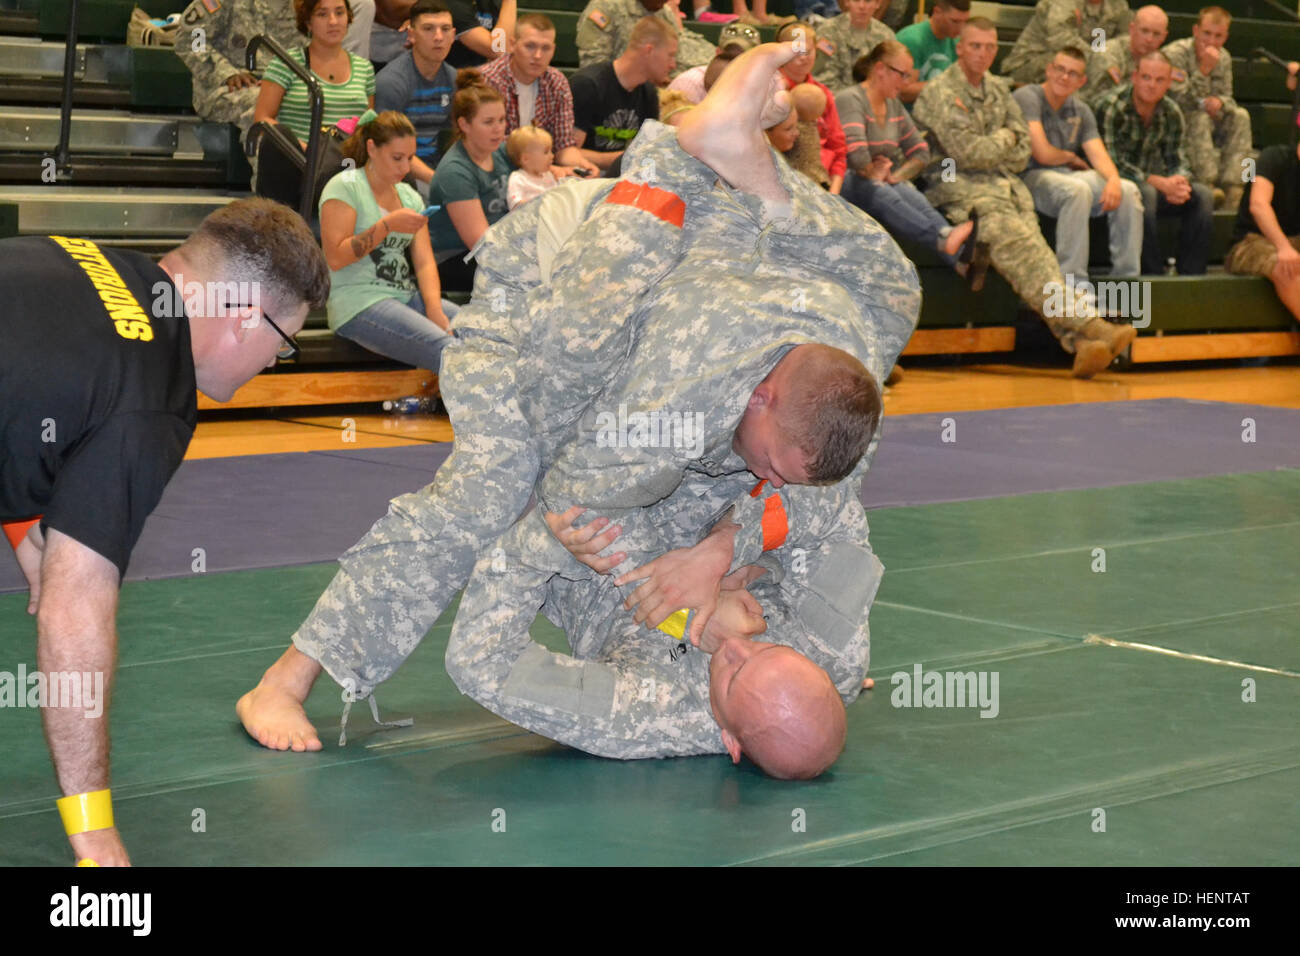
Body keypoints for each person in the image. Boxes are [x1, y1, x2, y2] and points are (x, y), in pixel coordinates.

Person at [235, 41, 920, 755]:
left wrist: (691, 597)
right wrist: (720, 555)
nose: (742, 656)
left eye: (736, 678)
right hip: (604, 280)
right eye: (771, 660)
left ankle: (727, 160)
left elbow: (571, 503)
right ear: (765, 399)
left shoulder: (673, 705)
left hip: (638, 283)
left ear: (731, 736)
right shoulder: (826, 644)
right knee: (500, 482)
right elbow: (825, 509)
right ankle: (729, 159)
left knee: (521, 482)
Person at [0, 199, 329, 867]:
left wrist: (24, 525)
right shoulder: (152, 392)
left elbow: (27, 389)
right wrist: (92, 828)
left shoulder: (88, 259)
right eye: (283, 343)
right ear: (244, 317)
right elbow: (74, 610)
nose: (274, 364)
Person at [914, 18, 1137, 376]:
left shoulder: (1000, 90)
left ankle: (1081, 346)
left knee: (1039, 264)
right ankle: (1094, 327)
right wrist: (1005, 139)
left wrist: (1002, 143)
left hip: (1008, 191)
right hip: (964, 196)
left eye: (989, 47)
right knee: (1029, 259)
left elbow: (1023, 152)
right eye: (975, 46)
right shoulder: (940, 92)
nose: (983, 54)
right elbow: (969, 152)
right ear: (959, 47)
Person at [319, 111, 457, 371]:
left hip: (404, 296)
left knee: (484, 333)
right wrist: (387, 225)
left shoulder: (408, 195)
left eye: (410, 158)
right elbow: (336, 258)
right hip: (358, 303)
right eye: (397, 158)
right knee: (447, 349)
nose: (405, 168)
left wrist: (434, 308)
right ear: (371, 148)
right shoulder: (345, 186)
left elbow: (425, 262)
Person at [838, 41, 986, 282]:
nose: (906, 82)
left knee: (908, 191)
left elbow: (920, 151)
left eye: (909, 75)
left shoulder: (893, 104)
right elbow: (855, 154)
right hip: (842, 180)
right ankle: (944, 239)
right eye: (902, 74)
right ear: (880, 69)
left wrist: (897, 175)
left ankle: (959, 259)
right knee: (881, 190)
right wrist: (873, 173)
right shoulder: (850, 98)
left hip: (878, 177)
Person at [1014, 45, 1142, 282]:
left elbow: (1098, 154)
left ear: (1081, 81)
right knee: (1077, 190)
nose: (1064, 76)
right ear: (1048, 70)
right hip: (1029, 175)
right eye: (1060, 69)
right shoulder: (1028, 97)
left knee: (1128, 190)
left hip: (1064, 175)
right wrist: (1071, 157)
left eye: (1072, 73)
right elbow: (1041, 153)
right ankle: (1073, 284)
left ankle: (1126, 280)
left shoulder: (1081, 109)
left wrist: (1113, 180)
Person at [1094, 51, 1213, 275]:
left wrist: (1180, 180)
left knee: (1203, 195)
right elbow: (1111, 162)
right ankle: (1152, 273)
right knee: (1145, 193)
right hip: (1110, 186)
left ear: (1169, 83)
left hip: (1153, 185)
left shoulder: (1171, 111)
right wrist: (1156, 181)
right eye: (1146, 77)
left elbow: (1178, 158)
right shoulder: (1110, 106)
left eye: (1160, 80)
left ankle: (1192, 275)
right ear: (1135, 77)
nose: (1152, 85)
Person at [480, 13, 599, 174]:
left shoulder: (557, 82)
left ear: (554, 49)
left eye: (545, 48)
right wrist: (550, 170)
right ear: (513, 44)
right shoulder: (489, 80)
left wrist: (581, 166)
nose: (537, 56)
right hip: (494, 171)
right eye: (530, 46)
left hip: (540, 173)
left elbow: (564, 147)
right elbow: (488, 148)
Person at [426, 70, 511, 290]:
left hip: (497, 247)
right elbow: (482, 246)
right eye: (488, 122)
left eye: (502, 120)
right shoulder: (455, 172)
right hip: (455, 259)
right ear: (464, 124)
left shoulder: (501, 152)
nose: (498, 129)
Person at [1162, 5, 1252, 209]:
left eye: (1218, 36)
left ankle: (1234, 188)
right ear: (1195, 30)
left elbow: (1229, 97)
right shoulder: (1176, 53)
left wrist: (1220, 103)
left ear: (1226, 37)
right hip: (1181, 121)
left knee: (1241, 116)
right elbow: (1177, 99)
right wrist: (1204, 70)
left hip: (1213, 120)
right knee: (1199, 115)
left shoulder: (1225, 57)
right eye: (1207, 34)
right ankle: (1208, 183)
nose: (1212, 41)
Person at [253, 0, 376, 148]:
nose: (333, 21)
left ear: (349, 18)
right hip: (298, 163)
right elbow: (262, 119)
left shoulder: (365, 68)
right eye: (322, 14)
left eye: (339, 13)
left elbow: (368, 127)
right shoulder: (285, 63)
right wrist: (307, 154)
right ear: (308, 22)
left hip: (348, 165)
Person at [174, 0, 302, 134]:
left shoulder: (304, 5)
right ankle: (264, 153)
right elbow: (190, 38)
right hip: (227, 88)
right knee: (265, 106)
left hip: (285, 84)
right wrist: (226, 73)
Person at [569, 17, 674, 174]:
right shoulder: (587, 85)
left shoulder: (648, 93)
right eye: (670, 55)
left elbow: (647, 151)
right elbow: (567, 153)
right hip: (581, 179)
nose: (673, 64)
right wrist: (624, 158)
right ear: (649, 50)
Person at [374, 0, 459, 188]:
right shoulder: (391, 82)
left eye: (445, 29)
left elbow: (453, 140)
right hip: (398, 174)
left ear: (453, 35)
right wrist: (436, 180)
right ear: (411, 34)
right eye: (428, 29)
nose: (438, 37)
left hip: (436, 168)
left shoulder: (453, 78)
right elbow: (388, 148)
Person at [1226, 141, 1300, 323]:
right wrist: (1283, 247)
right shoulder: (1273, 156)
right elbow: (1258, 205)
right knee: (1289, 269)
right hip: (1251, 242)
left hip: (1295, 241)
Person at [777, 22, 846, 195]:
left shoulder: (823, 94)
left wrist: (834, 191)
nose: (803, 58)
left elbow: (838, 147)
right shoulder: (773, 88)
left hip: (823, 182)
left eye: (808, 51)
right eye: (796, 52)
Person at [1000, 0, 1132, 86]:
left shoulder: (1118, 5)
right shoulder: (1063, 2)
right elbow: (1061, 40)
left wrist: (1109, 61)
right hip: (1029, 64)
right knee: (1069, 63)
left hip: (1084, 65)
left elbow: (1124, 42)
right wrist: (1101, 61)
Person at [576, 0, 715, 75]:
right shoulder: (605, 7)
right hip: (611, 95)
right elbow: (593, 65)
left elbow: (675, 61)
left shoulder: (665, 14)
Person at [1080, 4, 1166, 107]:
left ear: (1164, 37)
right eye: (1144, 31)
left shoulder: (1161, 62)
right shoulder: (1108, 53)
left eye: (1156, 34)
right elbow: (1108, 100)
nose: (1149, 39)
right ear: (1132, 29)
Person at [813, 0, 896, 92]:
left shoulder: (886, 36)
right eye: (856, 0)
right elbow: (823, 79)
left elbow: (890, 80)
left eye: (868, 1)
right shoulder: (827, 32)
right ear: (847, 2)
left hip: (874, 101)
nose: (862, 6)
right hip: (836, 101)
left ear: (877, 4)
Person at [896, 0, 970, 103]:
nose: (960, 28)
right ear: (937, 12)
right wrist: (945, 83)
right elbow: (902, 92)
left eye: (965, 22)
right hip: (910, 114)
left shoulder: (956, 41)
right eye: (954, 21)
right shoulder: (912, 40)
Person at [445, 0, 517, 69]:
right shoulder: (453, 3)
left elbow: (508, 47)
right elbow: (497, 50)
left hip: (485, 75)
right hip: (457, 78)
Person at [505, 125, 560, 208]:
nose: (552, 156)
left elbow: (557, 196)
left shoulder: (548, 176)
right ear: (526, 159)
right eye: (546, 152)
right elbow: (515, 204)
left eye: (551, 151)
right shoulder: (518, 178)